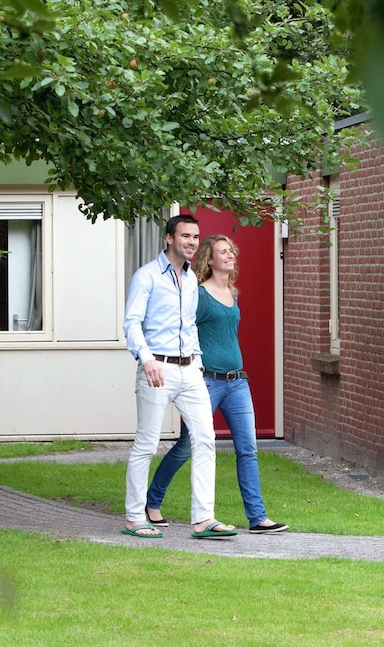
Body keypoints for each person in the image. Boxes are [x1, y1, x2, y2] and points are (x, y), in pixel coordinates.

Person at [145, 234, 288, 534]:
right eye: (223, 252)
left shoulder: (233, 292)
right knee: (187, 445)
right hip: (206, 381)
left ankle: (257, 517)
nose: (230, 255)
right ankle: (152, 501)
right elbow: (182, 329)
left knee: (248, 449)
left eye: (231, 251)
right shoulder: (197, 294)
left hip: (237, 382)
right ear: (209, 259)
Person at [122, 214, 238, 539]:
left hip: (189, 370)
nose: (191, 242)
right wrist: (146, 360)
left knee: (205, 439)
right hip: (156, 368)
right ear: (169, 238)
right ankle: (134, 517)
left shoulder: (190, 280)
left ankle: (203, 520)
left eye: (195, 237)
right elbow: (131, 323)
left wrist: (197, 363)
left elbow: (189, 326)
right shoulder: (146, 277)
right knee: (146, 443)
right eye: (185, 236)